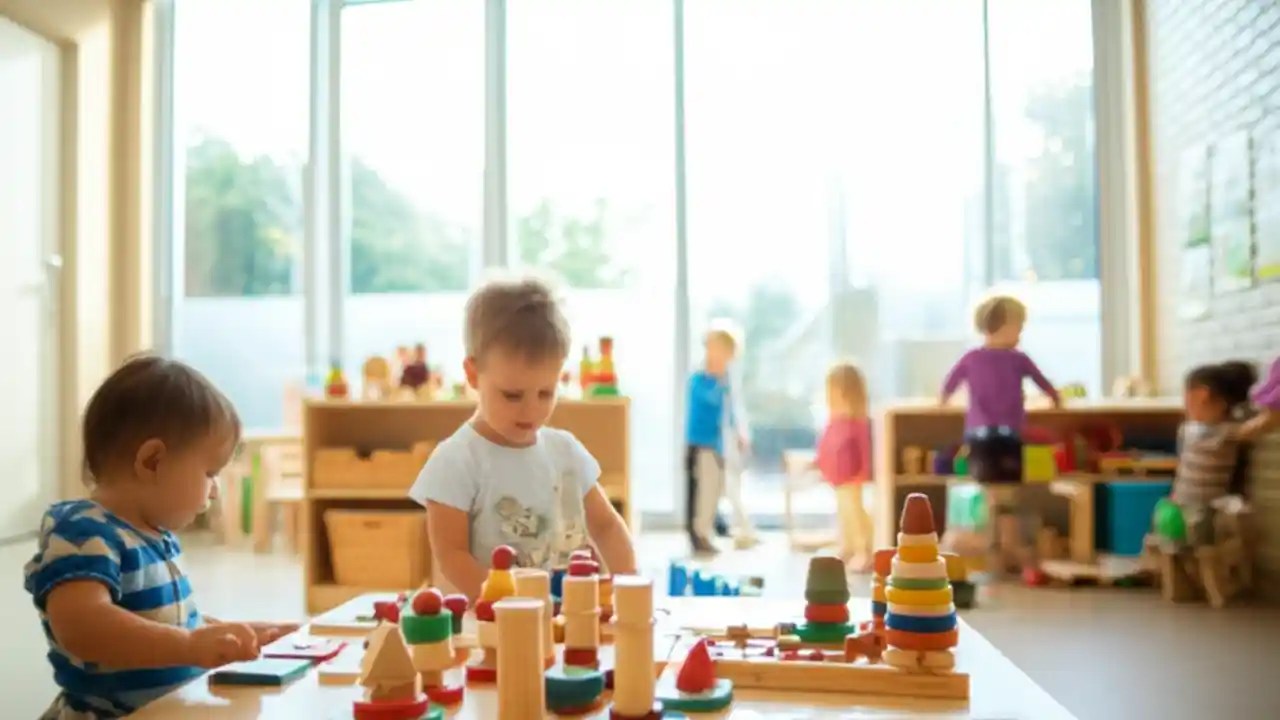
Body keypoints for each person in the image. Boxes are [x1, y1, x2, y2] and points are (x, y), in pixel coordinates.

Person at [24, 356, 298, 719]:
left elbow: (168, 626)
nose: (214, 491)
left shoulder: (153, 537)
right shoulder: (82, 531)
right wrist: (188, 645)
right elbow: (81, 626)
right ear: (152, 461)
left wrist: (234, 635)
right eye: (209, 473)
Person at [411, 274, 636, 599]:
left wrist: (629, 591)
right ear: (473, 375)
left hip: (562, 621)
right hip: (489, 627)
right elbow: (451, 556)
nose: (531, 410)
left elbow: (607, 526)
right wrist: (512, 606)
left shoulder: (566, 452)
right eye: (512, 395)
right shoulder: (457, 460)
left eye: (545, 392)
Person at [940, 295, 1060, 575]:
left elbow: (949, 383)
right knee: (1005, 494)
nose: (1020, 334)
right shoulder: (1018, 360)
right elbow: (1044, 383)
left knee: (993, 493)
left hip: (980, 437)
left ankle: (997, 548)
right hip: (1005, 437)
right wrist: (1055, 399)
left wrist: (944, 399)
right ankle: (1003, 548)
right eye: (1018, 327)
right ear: (1003, 326)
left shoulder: (972, 358)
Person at [1170, 361, 1267, 545]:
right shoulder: (1188, 429)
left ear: (1202, 396)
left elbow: (1258, 427)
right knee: (1169, 542)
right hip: (1181, 503)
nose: (1185, 404)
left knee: (1199, 546)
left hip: (1207, 510)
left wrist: (1272, 411)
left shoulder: (1227, 432)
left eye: (1187, 397)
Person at [684, 321, 750, 554]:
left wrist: (740, 433)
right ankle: (699, 533)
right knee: (703, 490)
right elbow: (709, 400)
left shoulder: (725, 380)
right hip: (700, 443)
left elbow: (731, 409)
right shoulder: (700, 379)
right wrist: (720, 383)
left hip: (717, 443)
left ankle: (709, 529)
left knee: (715, 490)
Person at [815, 362, 874, 571]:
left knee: (856, 515)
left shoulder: (857, 422)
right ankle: (847, 548)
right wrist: (820, 465)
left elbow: (865, 450)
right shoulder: (834, 421)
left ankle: (865, 551)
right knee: (844, 515)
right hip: (838, 478)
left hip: (853, 477)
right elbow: (824, 445)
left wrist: (864, 472)